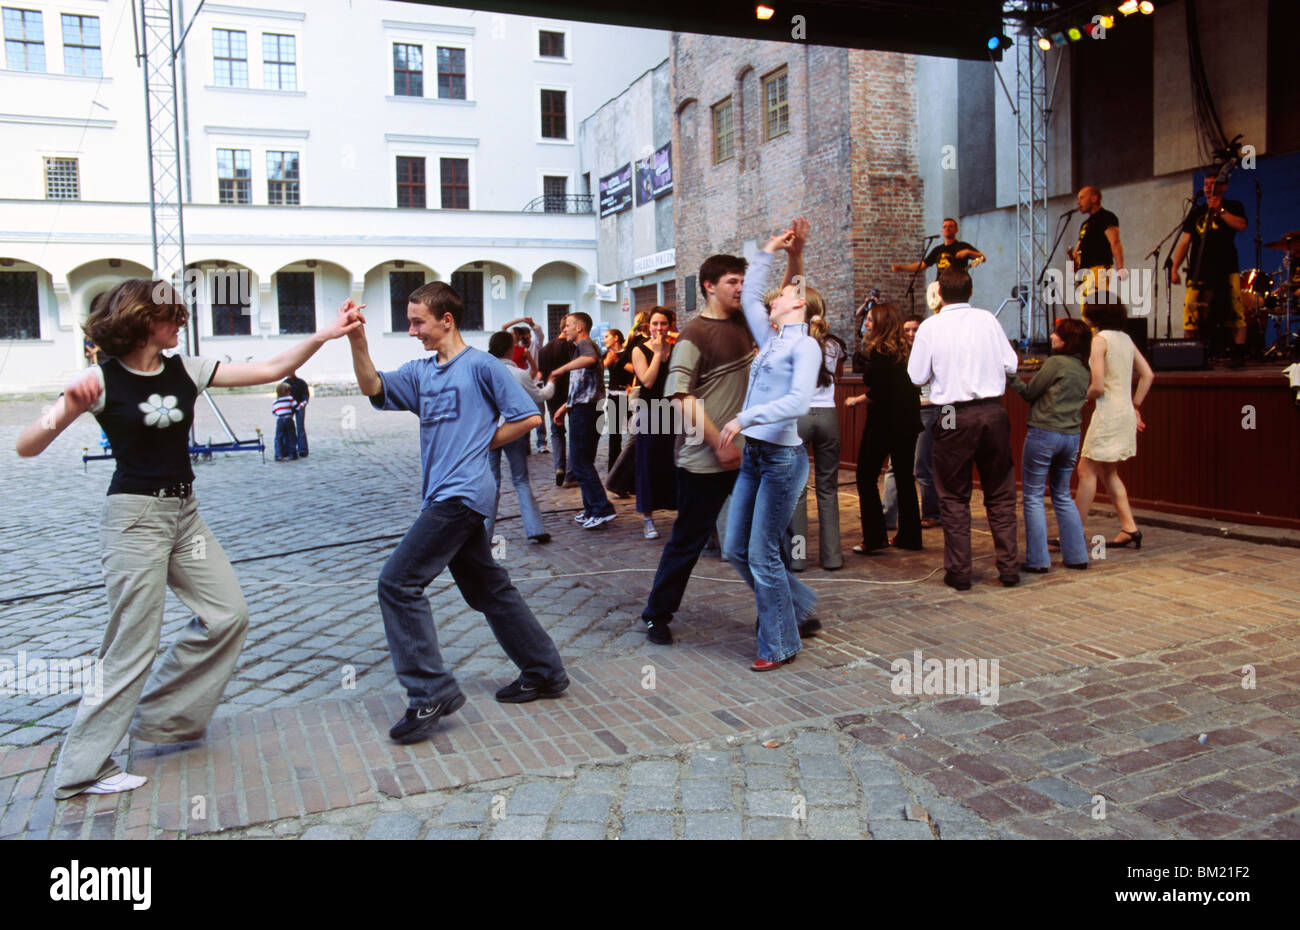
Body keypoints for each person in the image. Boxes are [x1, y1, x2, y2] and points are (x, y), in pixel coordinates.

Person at [17, 278, 360, 798]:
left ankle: (160, 719)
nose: (181, 322)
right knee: (132, 643)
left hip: (185, 515)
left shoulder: (187, 368)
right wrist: (67, 402)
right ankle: (80, 770)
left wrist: (325, 335)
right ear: (141, 321)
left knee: (229, 615)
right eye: (172, 316)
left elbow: (269, 370)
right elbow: (26, 445)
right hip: (135, 520)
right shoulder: (100, 380)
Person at [344, 281, 568, 745]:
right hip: (443, 495)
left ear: (447, 320)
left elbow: (526, 416)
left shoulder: (482, 366)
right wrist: (357, 341)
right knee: (489, 589)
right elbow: (372, 386)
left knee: (398, 582)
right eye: (409, 323)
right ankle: (545, 671)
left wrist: (481, 441)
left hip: (462, 495)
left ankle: (430, 693)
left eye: (418, 322)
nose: (412, 331)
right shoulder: (422, 372)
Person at [637, 250, 758, 645]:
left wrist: (792, 255)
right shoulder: (693, 335)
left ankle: (780, 611)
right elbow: (679, 397)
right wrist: (718, 443)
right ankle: (656, 614)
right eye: (732, 282)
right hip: (703, 461)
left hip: (746, 455)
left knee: (760, 541)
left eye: (743, 280)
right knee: (688, 540)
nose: (741, 288)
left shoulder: (744, 322)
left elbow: (788, 297)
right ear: (710, 286)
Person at [718, 225, 823, 671]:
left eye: (781, 296)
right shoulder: (772, 339)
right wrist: (770, 250)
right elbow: (749, 297)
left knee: (762, 555)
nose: (770, 300)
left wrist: (746, 417)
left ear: (798, 302)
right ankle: (795, 609)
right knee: (734, 550)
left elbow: (798, 403)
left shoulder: (807, 347)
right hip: (756, 458)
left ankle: (779, 642)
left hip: (782, 460)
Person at [907, 268, 1020, 590]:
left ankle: (959, 573)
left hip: (950, 413)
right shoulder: (987, 320)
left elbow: (916, 376)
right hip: (992, 410)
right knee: (1000, 492)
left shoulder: (931, 326)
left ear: (939, 294)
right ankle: (1009, 568)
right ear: (971, 292)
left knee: (954, 495)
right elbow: (1011, 364)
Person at [1007, 318, 1093, 573]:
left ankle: (1038, 561)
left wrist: (1009, 374)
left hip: (1045, 433)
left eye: (1056, 334)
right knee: (1063, 495)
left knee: (1033, 496)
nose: (1052, 336)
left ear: (1065, 341)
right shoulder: (1083, 368)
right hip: (1071, 436)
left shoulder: (1056, 363)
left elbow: (1029, 392)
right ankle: (1077, 556)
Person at [1074, 298, 1155, 549]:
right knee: (1109, 472)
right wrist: (1136, 406)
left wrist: (1077, 397)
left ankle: (1073, 532)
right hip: (1124, 412)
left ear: (1092, 316)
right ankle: (1129, 527)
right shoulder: (1125, 339)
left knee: (1086, 470)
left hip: (1108, 413)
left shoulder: (1100, 340)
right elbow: (1148, 375)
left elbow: (1097, 386)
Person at [846, 301, 922, 553]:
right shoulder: (906, 351)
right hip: (907, 422)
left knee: (865, 477)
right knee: (904, 478)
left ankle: (874, 537)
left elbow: (878, 392)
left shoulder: (879, 352)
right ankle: (910, 537)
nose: (865, 324)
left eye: (869, 320)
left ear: (880, 324)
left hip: (884, 423)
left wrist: (856, 400)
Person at [485, 331, 554, 544]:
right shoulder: (520, 374)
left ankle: (484, 534)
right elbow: (540, 396)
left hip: (487, 432)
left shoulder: (482, 371)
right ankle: (534, 528)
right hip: (513, 430)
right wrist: (551, 382)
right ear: (509, 349)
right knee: (521, 480)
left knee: (490, 483)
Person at [1170, 175, 1249, 362]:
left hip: (1226, 266)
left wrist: (1220, 210)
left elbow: (1241, 225)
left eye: (1212, 184)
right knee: (1191, 309)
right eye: (1205, 184)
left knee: (1235, 308)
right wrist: (1174, 267)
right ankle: (1192, 353)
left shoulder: (1233, 206)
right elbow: (1185, 242)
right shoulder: (1197, 211)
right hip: (1199, 268)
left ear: (1223, 186)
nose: (1208, 187)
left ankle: (1239, 352)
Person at [549, 312, 617, 529]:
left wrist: (561, 369)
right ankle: (591, 509)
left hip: (586, 412)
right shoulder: (581, 347)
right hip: (583, 409)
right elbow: (582, 386)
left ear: (579, 327)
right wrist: (563, 407)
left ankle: (602, 508)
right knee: (582, 462)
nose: (564, 329)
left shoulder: (585, 345)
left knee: (580, 463)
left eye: (567, 325)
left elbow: (591, 360)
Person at [790, 316, 845, 571]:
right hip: (828, 415)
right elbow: (838, 375)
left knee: (797, 490)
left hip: (799, 416)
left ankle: (798, 557)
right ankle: (832, 557)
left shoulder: (794, 344)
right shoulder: (834, 346)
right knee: (828, 488)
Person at [883, 315, 940, 530]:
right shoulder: (899, 355)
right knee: (893, 466)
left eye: (915, 330)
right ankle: (888, 514)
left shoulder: (930, 353)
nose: (911, 334)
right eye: (907, 330)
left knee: (922, 465)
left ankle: (932, 513)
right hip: (904, 411)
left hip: (927, 410)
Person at [631, 308, 678, 539]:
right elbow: (648, 382)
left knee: (676, 463)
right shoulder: (639, 350)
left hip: (674, 412)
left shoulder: (677, 348)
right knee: (648, 464)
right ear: (648, 326)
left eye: (663, 324)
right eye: (655, 324)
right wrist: (658, 353)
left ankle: (680, 510)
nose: (659, 328)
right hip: (650, 412)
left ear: (670, 324)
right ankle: (648, 518)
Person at [1067, 186, 1125, 300]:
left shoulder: (1107, 217)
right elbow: (1078, 250)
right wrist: (1073, 260)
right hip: (1085, 272)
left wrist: (1120, 267)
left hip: (1099, 269)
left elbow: (1115, 242)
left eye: (1082, 198)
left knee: (1095, 307)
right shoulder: (1085, 224)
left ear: (1094, 198)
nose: (1078, 202)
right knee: (1086, 311)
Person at [537, 327, 575, 485]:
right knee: (575, 433)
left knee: (556, 431)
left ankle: (559, 466)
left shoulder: (544, 349)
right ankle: (571, 473)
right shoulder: (573, 347)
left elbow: (541, 373)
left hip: (552, 394)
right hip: (571, 394)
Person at [891, 217, 985, 280]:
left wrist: (968, 252)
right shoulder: (938, 249)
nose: (947, 228)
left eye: (950, 226)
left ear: (956, 230)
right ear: (942, 230)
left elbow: (983, 258)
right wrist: (901, 268)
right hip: (940, 286)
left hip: (957, 285)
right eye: (945, 227)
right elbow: (922, 265)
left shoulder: (963, 246)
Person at [603, 327, 631, 467]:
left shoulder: (628, 353)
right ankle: (613, 468)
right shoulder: (606, 354)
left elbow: (634, 369)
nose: (604, 339)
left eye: (607, 336)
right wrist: (608, 361)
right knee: (614, 436)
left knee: (635, 432)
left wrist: (618, 361)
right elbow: (599, 368)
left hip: (629, 396)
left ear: (616, 338)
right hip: (614, 396)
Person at [282, 369, 310, 457]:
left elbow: (306, 395)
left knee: (300, 427)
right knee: (288, 428)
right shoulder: (284, 383)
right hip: (289, 407)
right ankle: (289, 449)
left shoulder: (301, 382)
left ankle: (303, 450)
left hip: (300, 406)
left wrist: (304, 403)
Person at [272, 382, 299, 461]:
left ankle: (278, 454)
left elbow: (274, 412)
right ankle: (292, 454)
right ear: (286, 392)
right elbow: (296, 407)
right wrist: (303, 403)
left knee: (278, 438)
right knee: (291, 437)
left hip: (280, 420)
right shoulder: (290, 398)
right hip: (288, 419)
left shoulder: (275, 401)